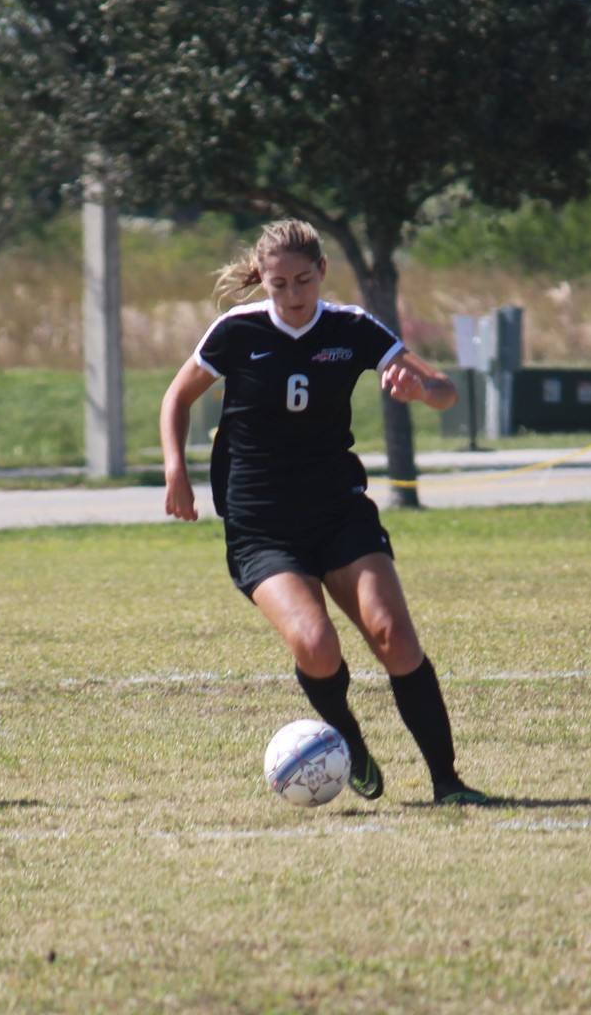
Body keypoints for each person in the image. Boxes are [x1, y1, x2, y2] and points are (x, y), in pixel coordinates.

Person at [159, 220, 488, 805]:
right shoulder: (236, 332)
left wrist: (421, 391)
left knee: (394, 637)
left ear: (323, 273)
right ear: (263, 280)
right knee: (315, 644)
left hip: (339, 513)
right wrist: (175, 470)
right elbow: (176, 398)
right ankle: (350, 742)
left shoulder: (350, 327)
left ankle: (448, 782)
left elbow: (445, 389)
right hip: (262, 526)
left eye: (304, 281)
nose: (293, 295)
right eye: (279, 284)